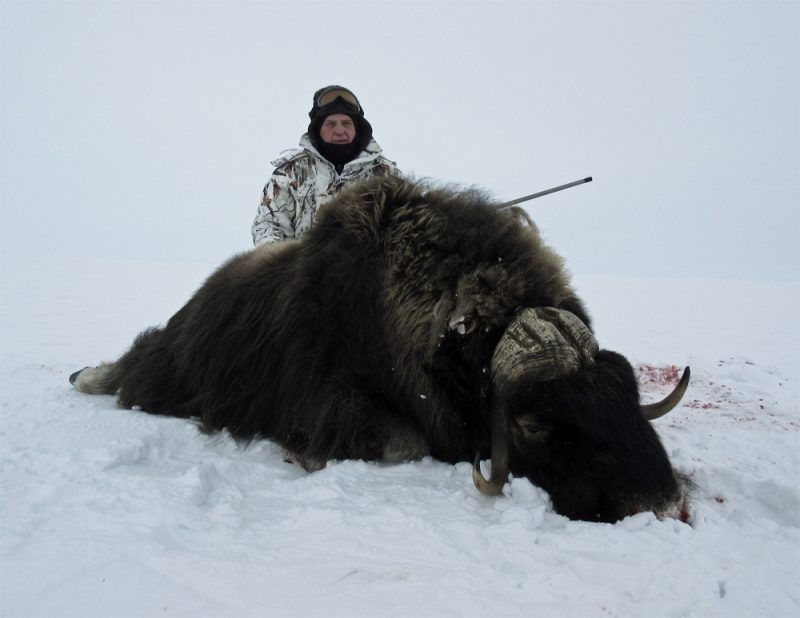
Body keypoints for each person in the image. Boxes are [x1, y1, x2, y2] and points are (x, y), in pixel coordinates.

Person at [251, 85, 400, 246]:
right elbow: (268, 226)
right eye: (331, 124)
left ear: (357, 128)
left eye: (346, 123)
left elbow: (402, 230)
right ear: (318, 129)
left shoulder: (386, 175)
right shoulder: (290, 173)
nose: (339, 130)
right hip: (301, 268)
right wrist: (288, 267)